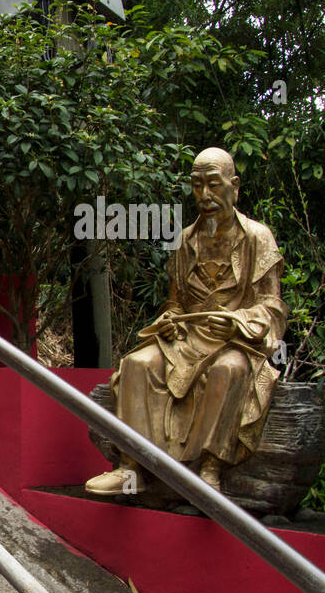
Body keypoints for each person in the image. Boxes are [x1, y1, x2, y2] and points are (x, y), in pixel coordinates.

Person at [85, 147, 287, 495]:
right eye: (196, 186)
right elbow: (176, 304)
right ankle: (131, 467)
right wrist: (170, 320)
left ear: (234, 186)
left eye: (213, 184)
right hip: (188, 340)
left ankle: (209, 471)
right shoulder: (185, 240)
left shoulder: (257, 238)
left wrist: (238, 322)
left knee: (229, 371)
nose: (204, 195)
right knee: (137, 363)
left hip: (234, 342)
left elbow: (272, 305)